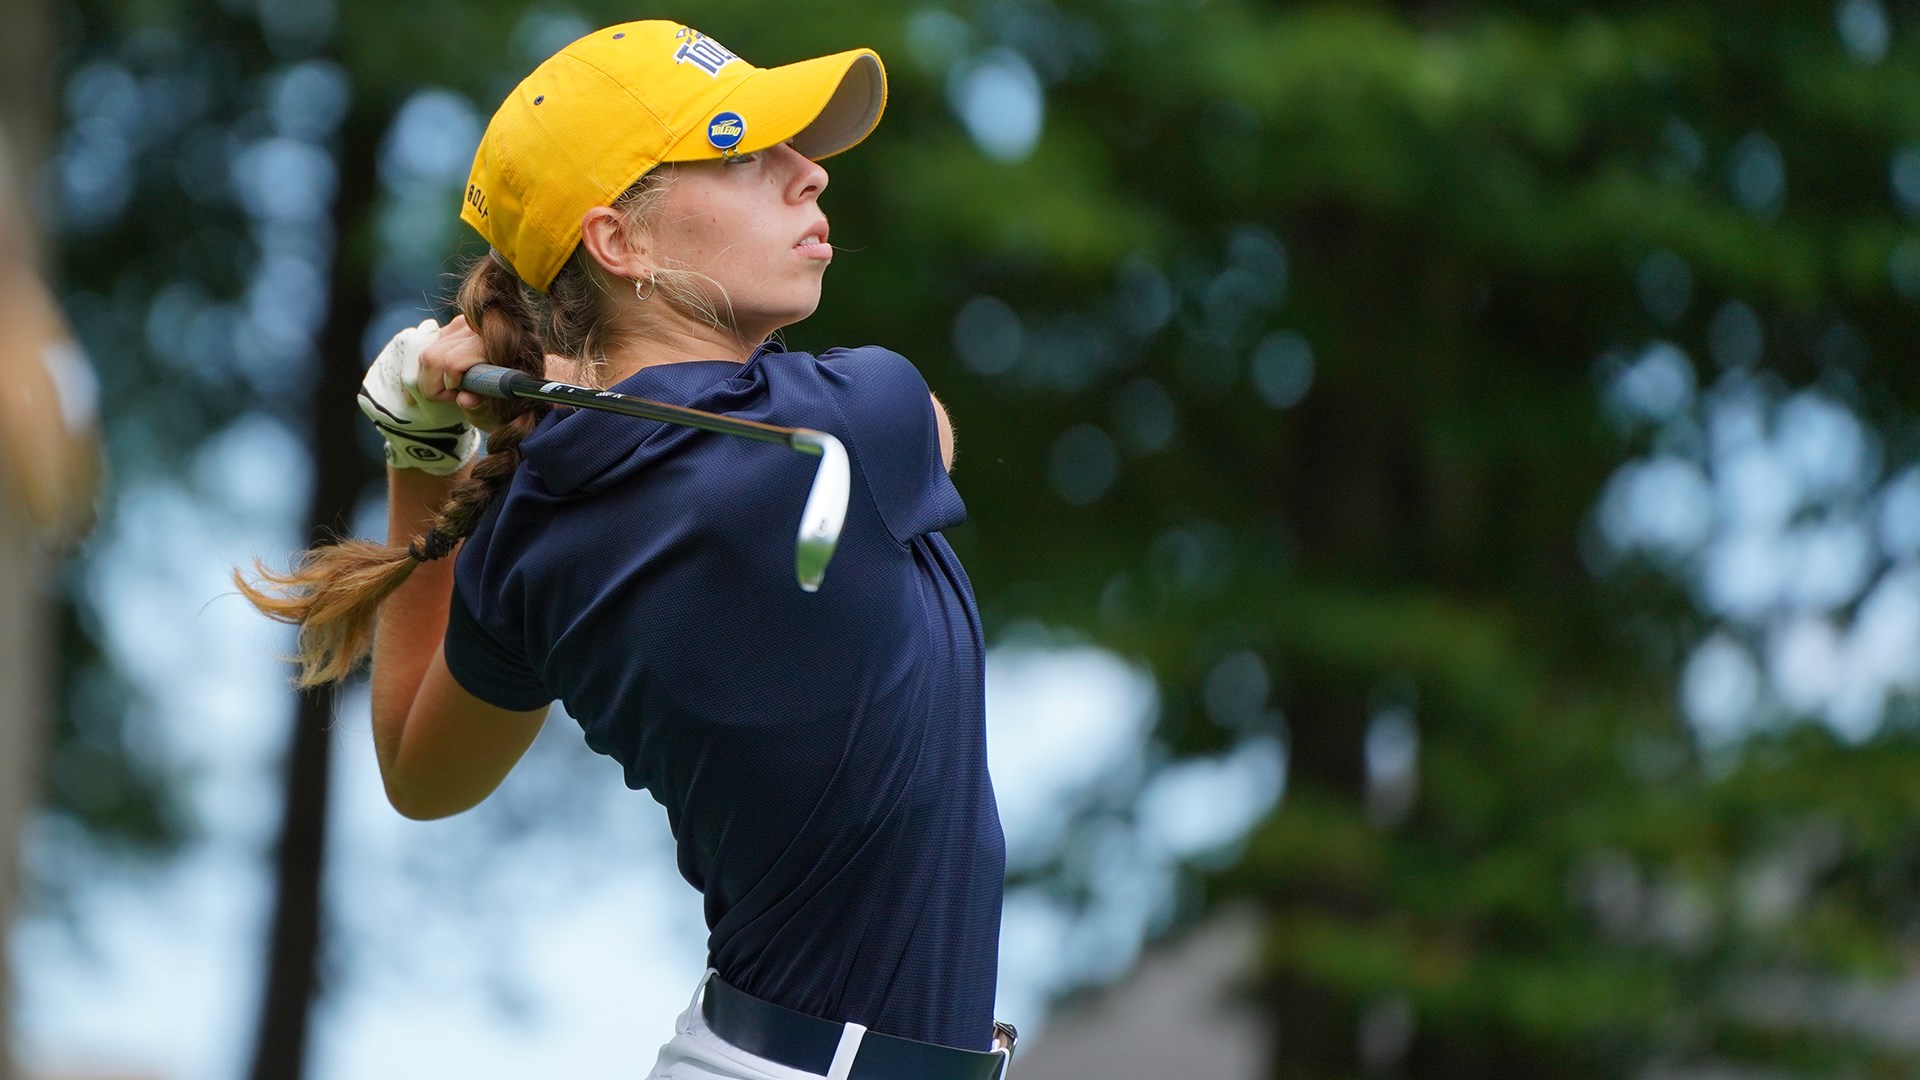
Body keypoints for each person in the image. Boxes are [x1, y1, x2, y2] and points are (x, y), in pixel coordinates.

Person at [236, 20, 1014, 1080]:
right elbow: (935, 429)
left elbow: (421, 773)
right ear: (620, 243)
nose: (810, 175)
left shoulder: (524, 515)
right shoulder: (850, 416)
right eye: (745, 154)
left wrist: (419, 452)